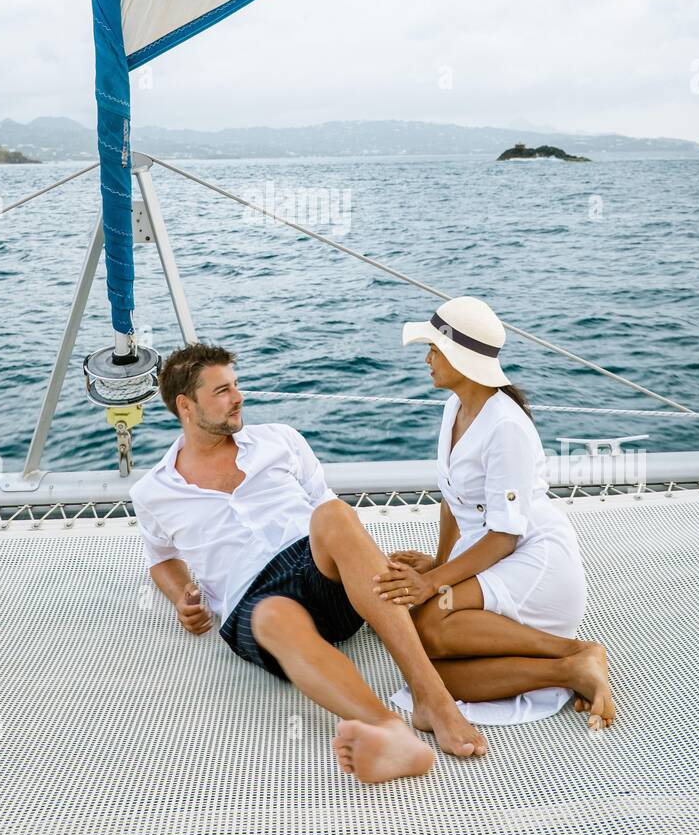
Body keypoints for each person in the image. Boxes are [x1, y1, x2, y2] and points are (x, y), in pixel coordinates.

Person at [130, 341, 490, 784]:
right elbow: (161, 559)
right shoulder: (153, 491)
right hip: (251, 599)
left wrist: (378, 569)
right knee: (274, 615)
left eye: (236, 385)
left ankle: (431, 697)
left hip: (317, 570)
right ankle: (391, 733)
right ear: (186, 405)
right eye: (222, 391)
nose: (238, 397)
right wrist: (181, 598)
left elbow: (332, 516)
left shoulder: (278, 440)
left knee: (334, 514)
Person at [374, 296, 615, 731]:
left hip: (532, 559)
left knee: (427, 626)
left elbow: (505, 536)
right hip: (493, 551)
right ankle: (572, 670)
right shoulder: (455, 408)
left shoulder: (505, 427)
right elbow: (451, 497)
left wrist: (431, 584)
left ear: (459, 358)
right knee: (424, 670)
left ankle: (571, 650)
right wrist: (441, 564)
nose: (427, 358)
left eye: (433, 349)